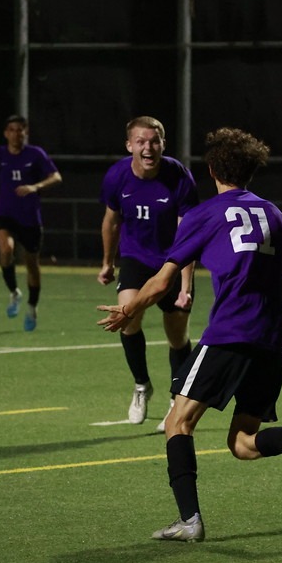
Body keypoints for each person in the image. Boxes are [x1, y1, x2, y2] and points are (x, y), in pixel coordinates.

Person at [97, 127, 282, 543]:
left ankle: (189, 520)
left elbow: (162, 282)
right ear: (251, 172)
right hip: (270, 342)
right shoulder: (274, 215)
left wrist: (128, 309)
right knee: (243, 443)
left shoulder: (205, 214)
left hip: (230, 334)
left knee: (179, 422)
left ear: (212, 169)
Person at [98, 116, 199, 427]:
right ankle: (142, 386)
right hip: (136, 259)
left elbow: (189, 233)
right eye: (140, 141)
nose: (148, 147)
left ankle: (176, 398)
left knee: (177, 336)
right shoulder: (116, 176)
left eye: (154, 141)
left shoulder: (179, 176)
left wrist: (185, 286)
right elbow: (111, 221)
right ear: (130, 145)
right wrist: (107, 262)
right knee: (127, 318)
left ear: (163, 144)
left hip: (171, 261)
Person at [0, 115, 62, 331]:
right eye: (12, 130)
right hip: (5, 213)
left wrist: (35, 187)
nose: (16, 133)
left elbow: (56, 177)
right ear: (6, 133)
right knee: (6, 249)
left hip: (29, 217)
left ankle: (32, 307)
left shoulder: (35, 154)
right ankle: (14, 292)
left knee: (32, 265)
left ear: (25, 132)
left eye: (20, 130)